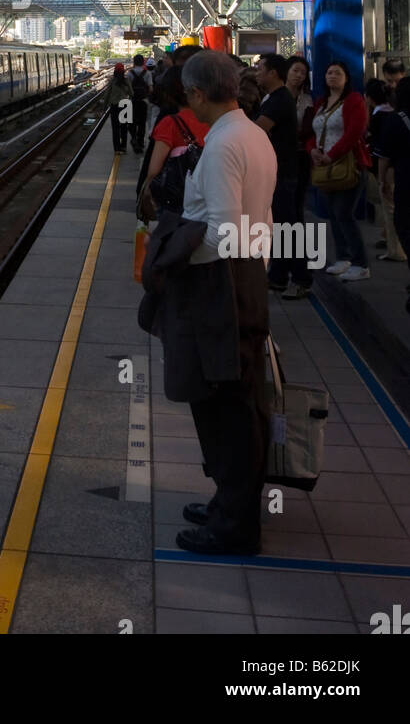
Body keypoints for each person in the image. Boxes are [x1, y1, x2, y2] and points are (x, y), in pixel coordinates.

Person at [174, 50, 277, 556]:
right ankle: (228, 504)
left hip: (221, 285)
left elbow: (222, 232)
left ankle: (235, 526)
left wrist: (177, 262)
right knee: (237, 399)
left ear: (197, 94)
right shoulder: (253, 135)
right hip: (246, 276)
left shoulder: (220, 146)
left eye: (187, 94)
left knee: (225, 405)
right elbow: (263, 219)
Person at [305, 61, 372, 281]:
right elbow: (313, 132)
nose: (332, 76)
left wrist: (331, 155)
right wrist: (313, 150)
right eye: (329, 72)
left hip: (349, 164)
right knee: (333, 213)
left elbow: (355, 132)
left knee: (344, 213)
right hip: (325, 166)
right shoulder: (322, 103)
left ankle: (361, 263)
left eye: (337, 73)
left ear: (346, 78)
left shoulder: (353, 101)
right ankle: (343, 258)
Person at [254, 54, 307, 298]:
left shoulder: (278, 100)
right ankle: (278, 276)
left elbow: (257, 131)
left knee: (288, 227)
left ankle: (302, 278)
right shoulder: (276, 97)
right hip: (279, 172)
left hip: (282, 173)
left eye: (260, 69)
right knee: (283, 226)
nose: (257, 73)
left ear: (273, 72)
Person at [137, 67, 208, 220]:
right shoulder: (212, 120)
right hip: (209, 197)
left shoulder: (170, 123)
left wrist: (145, 192)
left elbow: (154, 169)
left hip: (176, 199)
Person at [365, 78, 406, 263]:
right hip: (400, 170)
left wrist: (381, 179)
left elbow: (384, 154)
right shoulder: (391, 115)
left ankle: (396, 250)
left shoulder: (388, 118)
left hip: (393, 171)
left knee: (391, 210)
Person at [379, 77, 410, 292]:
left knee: (406, 226)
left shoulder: (396, 119)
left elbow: (384, 156)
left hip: (406, 182)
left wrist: (382, 181)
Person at [286, 54, 314, 223]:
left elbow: (309, 128)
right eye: (295, 70)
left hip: (301, 156)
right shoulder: (273, 97)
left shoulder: (307, 99)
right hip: (281, 156)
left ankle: (298, 245)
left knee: (298, 201)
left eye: (303, 73)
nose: (299, 75)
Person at [129, 54, 153, 154]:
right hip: (143, 101)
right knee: (142, 123)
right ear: (143, 62)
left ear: (134, 62)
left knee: (132, 122)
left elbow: (128, 89)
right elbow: (151, 89)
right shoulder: (147, 73)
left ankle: (133, 139)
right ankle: (140, 142)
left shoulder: (130, 73)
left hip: (133, 101)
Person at [107, 62, 132, 154]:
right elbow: (131, 93)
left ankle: (117, 149)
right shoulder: (126, 80)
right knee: (124, 127)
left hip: (114, 106)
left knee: (115, 128)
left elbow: (107, 95)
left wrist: (104, 106)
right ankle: (124, 147)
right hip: (125, 104)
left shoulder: (112, 81)